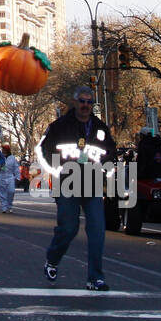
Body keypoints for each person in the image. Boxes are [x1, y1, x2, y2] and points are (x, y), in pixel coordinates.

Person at [39, 86, 115, 291]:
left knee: (98, 231)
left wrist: (106, 168)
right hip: (67, 183)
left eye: (89, 102)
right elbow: (44, 148)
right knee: (68, 228)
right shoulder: (60, 126)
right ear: (74, 102)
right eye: (82, 101)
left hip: (92, 183)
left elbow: (111, 151)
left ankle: (95, 278)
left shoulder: (100, 128)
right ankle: (52, 260)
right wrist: (56, 168)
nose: (85, 105)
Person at [0, 144, 19, 214]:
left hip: (10, 177)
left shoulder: (12, 158)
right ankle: (4, 207)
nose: (3, 150)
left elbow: (16, 168)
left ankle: (9, 206)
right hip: (1, 176)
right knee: (2, 193)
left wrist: (17, 177)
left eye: (5, 149)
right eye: (3, 149)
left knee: (11, 191)